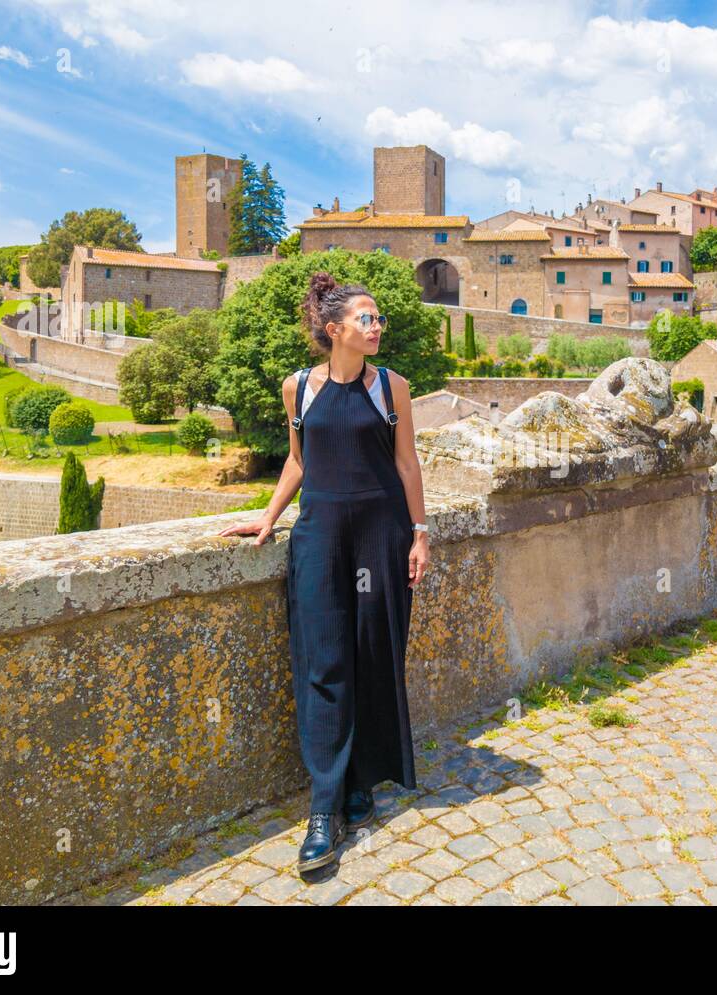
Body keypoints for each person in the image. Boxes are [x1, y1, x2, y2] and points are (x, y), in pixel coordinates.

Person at [219, 272, 430, 871]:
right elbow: (297, 461)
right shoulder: (298, 389)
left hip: (382, 536)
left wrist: (420, 535)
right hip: (319, 540)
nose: (377, 325)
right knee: (322, 662)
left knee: (372, 653)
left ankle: (362, 779)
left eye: (379, 317)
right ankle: (324, 807)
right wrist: (267, 518)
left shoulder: (393, 387)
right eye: (367, 318)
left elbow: (407, 463)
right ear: (334, 330)